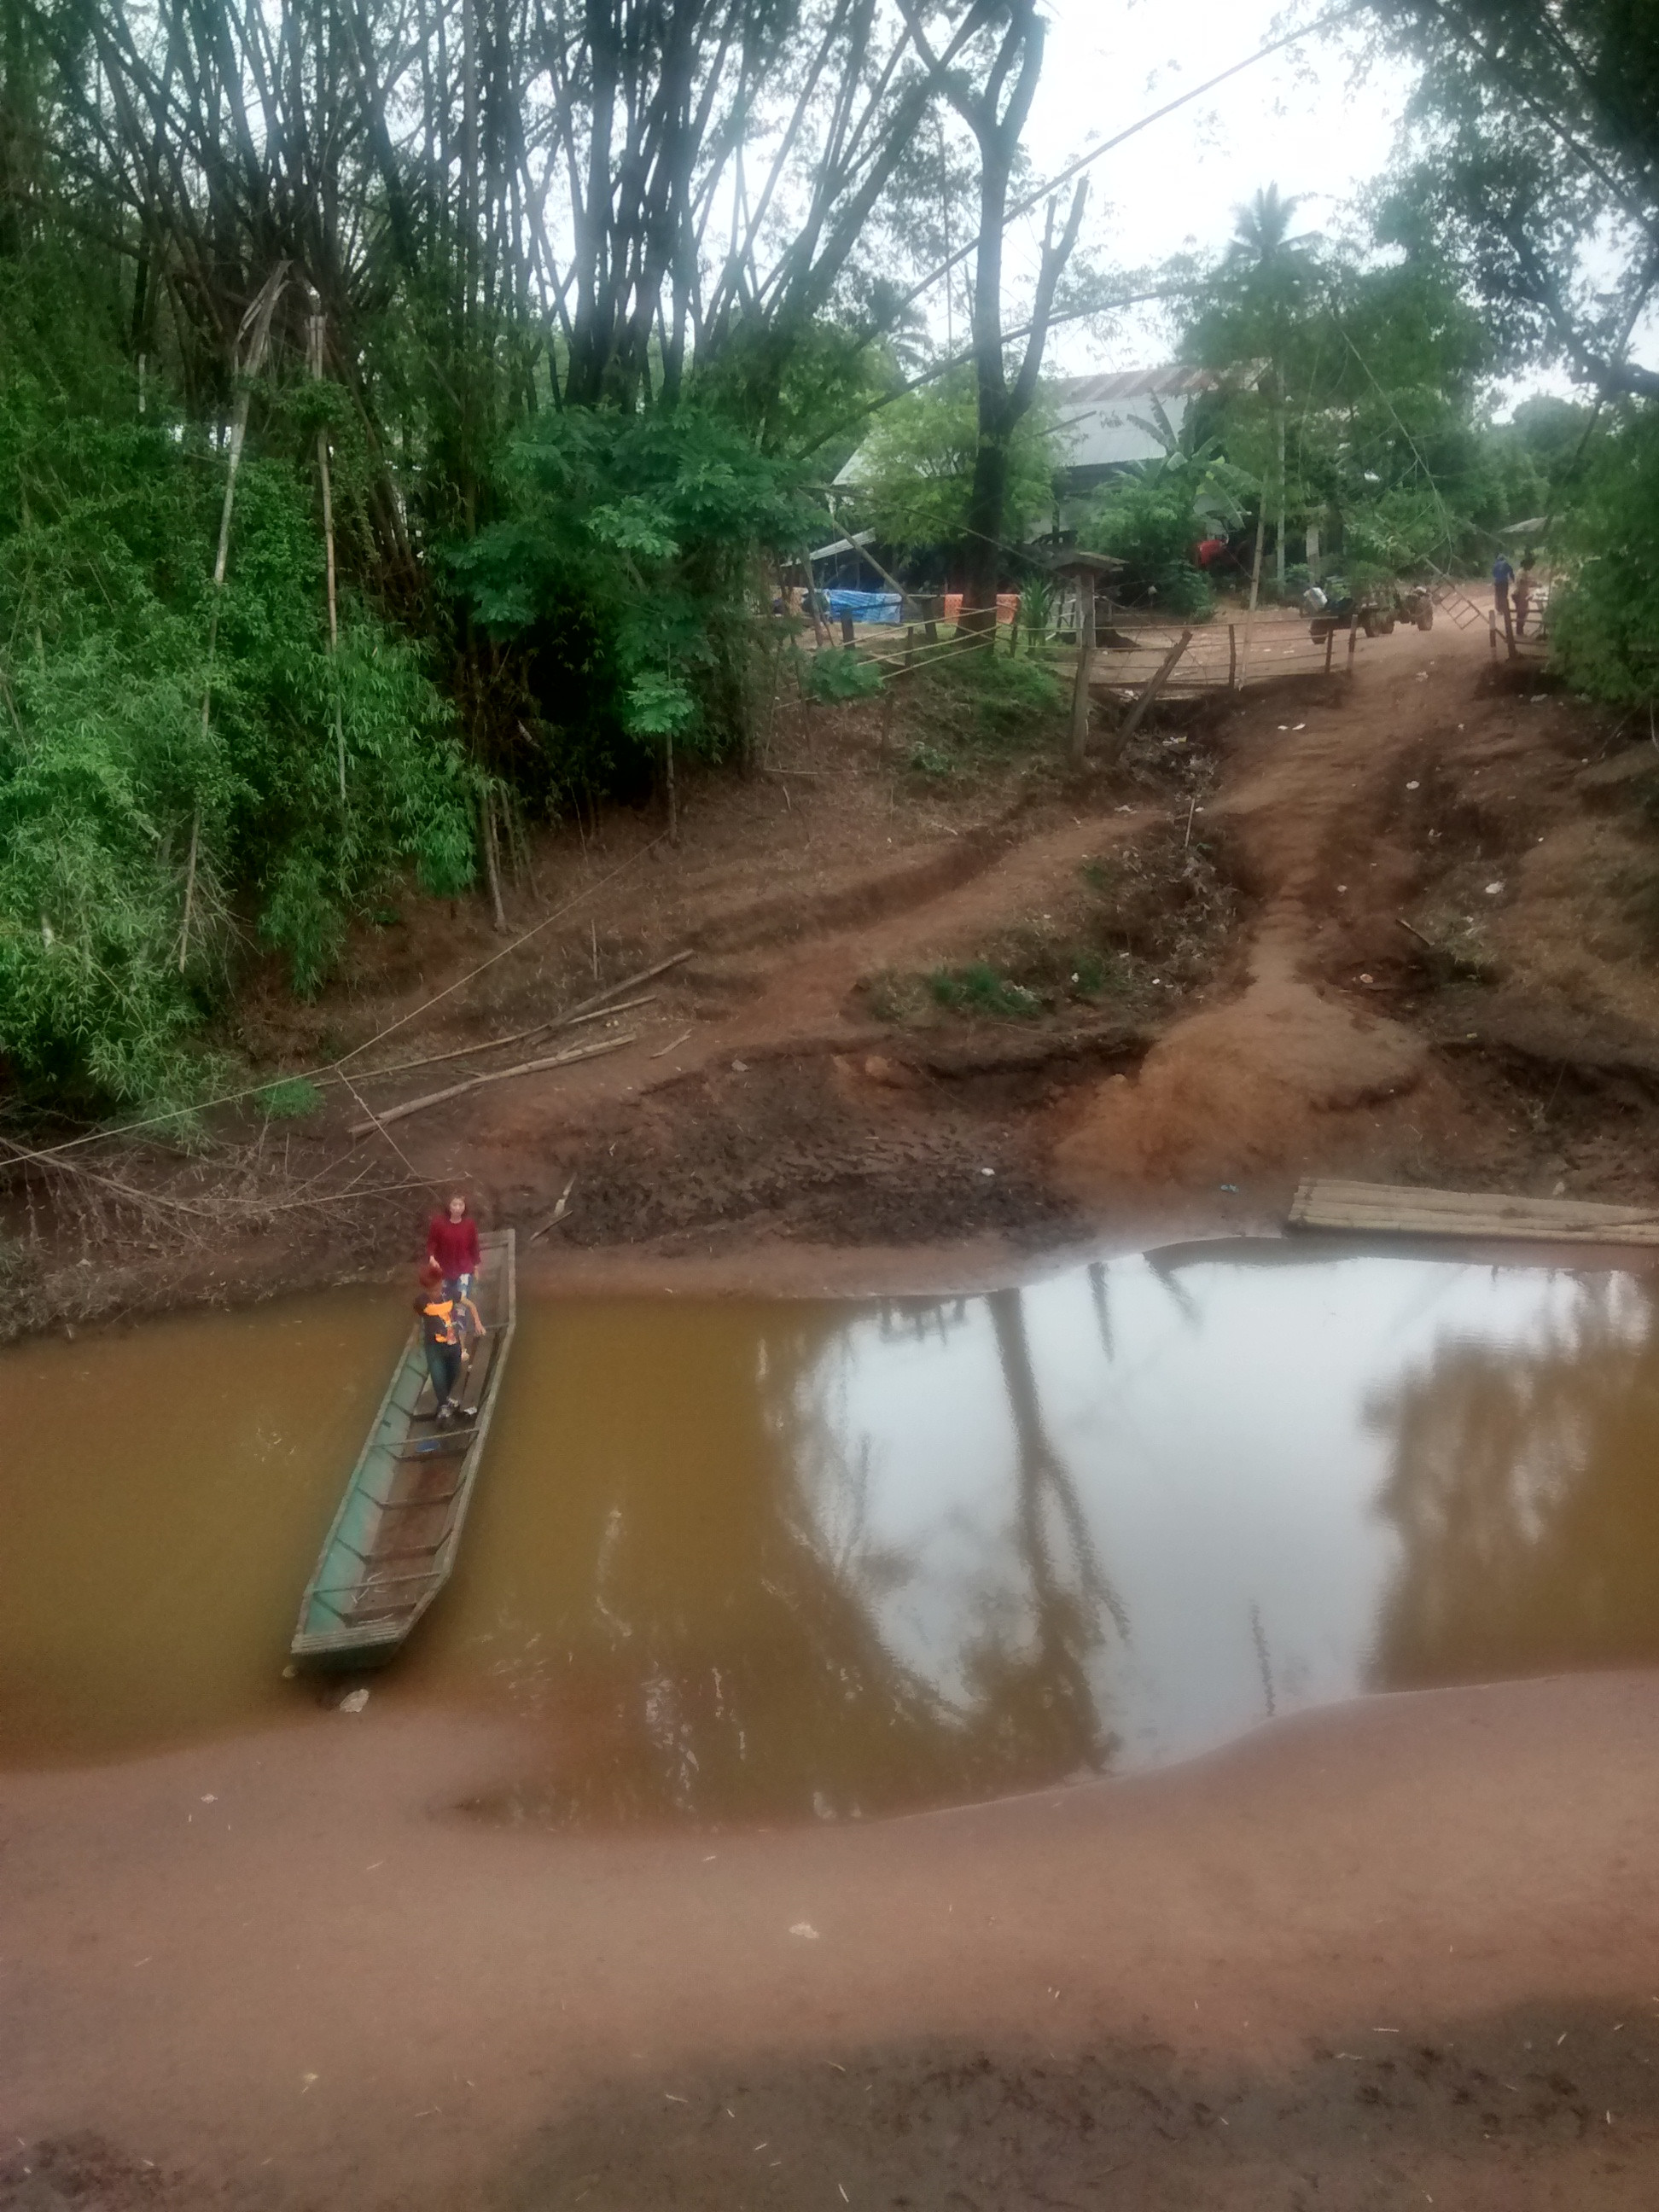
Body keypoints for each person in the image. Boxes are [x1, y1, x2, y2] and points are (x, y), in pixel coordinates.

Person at [415, 1261, 485, 1423]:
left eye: (438, 1288)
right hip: (434, 1346)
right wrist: (417, 1339)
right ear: (426, 1289)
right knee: (438, 1376)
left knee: (455, 1372)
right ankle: (443, 1405)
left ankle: (445, 1398)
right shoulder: (421, 1302)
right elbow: (419, 1321)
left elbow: (470, 1305)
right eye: (432, 1290)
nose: (436, 1293)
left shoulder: (450, 1293)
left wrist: (478, 1322)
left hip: (453, 1343)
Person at [427, 1192, 480, 1304]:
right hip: (444, 1270)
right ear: (449, 1206)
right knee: (445, 1303)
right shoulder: (438, 1223)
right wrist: (432, 1257)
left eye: (461, 1205)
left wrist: (476, 1266)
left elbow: (474, 1246)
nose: (458, 1208)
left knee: (462, 1302)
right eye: (454, 1205)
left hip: (464, 1269)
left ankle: (462, 1316)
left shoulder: (469, 1224)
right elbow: (432, 1242)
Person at [1514, 555, 1538, 638]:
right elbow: (1522, 581)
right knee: (1522, 613)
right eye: (1531, 565)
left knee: (1524, 612)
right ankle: (1519, 632)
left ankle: (1520, 630)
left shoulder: (1524, 572)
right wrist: (1532, 583)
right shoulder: (1522, 572)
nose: (1531, 567)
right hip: (1519, 594)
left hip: (1522, 594)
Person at [1493, 551, 1516, 622]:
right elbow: (1511, 572)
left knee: (1498, 595)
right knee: (1504, 595)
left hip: (1497, 582)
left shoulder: (1495, 564)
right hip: (1504, 582)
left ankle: (1499, 609)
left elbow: (1493, 573)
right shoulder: (1506, 564)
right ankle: (1504, 608)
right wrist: (1513, 580)